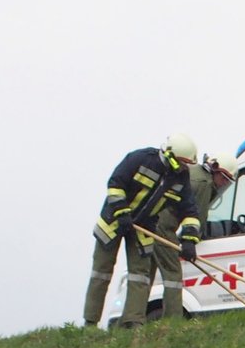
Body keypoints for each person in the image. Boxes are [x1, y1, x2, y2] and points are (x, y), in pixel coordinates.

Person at [83, 133, 201, 328]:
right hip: (114, 221)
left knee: (140, 275)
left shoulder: (181, 176)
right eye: (181, 163)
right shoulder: (139, 159)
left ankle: (132, 321)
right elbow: (115, 185)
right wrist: (122, 213)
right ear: (170, 155)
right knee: (101, 272)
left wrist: (189, 239)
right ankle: (90, 321)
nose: (183, 168)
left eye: (187, 164)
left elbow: (189, 210)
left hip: (144, 226)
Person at [135, 151, 238, 325]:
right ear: (216, 171)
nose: (224, 184)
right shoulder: (204, 184)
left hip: (150, 224)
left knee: (147, 275)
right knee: (173, 274)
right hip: (162, 229)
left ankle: (134, 319)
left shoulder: (195, 172)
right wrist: (191, 240)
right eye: (224, 179)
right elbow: (198, 216)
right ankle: (173, 321)